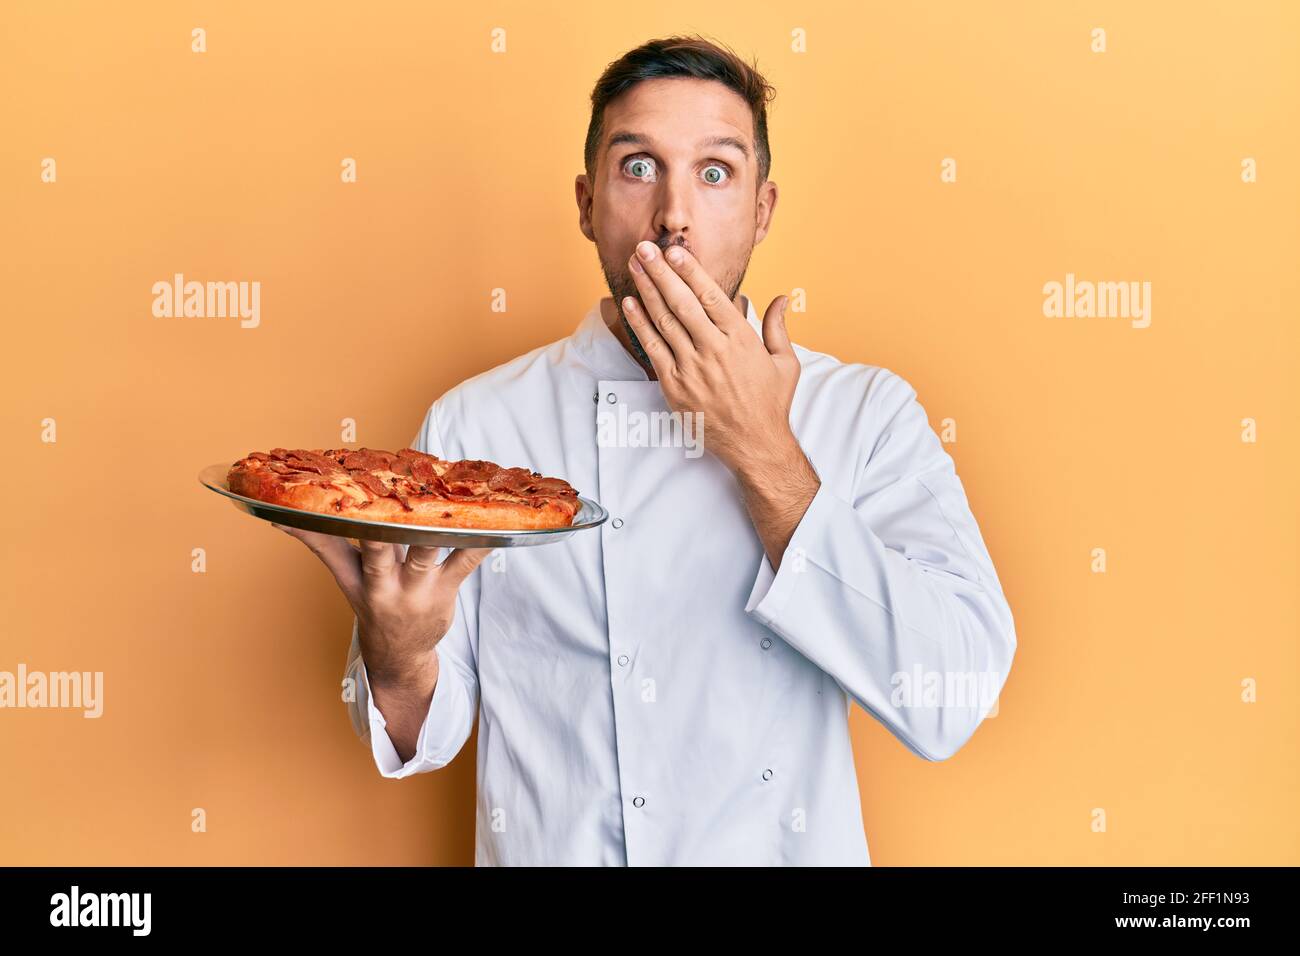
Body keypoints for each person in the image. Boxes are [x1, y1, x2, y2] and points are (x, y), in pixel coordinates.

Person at [277, 34, 1017, 866]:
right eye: (638, 167)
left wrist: (765, 450)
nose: (674, 213)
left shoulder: (865, 413)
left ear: (762, 209)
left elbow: (953, 696)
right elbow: (424, 734)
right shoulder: (476, 431)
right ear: (588, 203)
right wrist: (398, 654)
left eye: (714, 172)